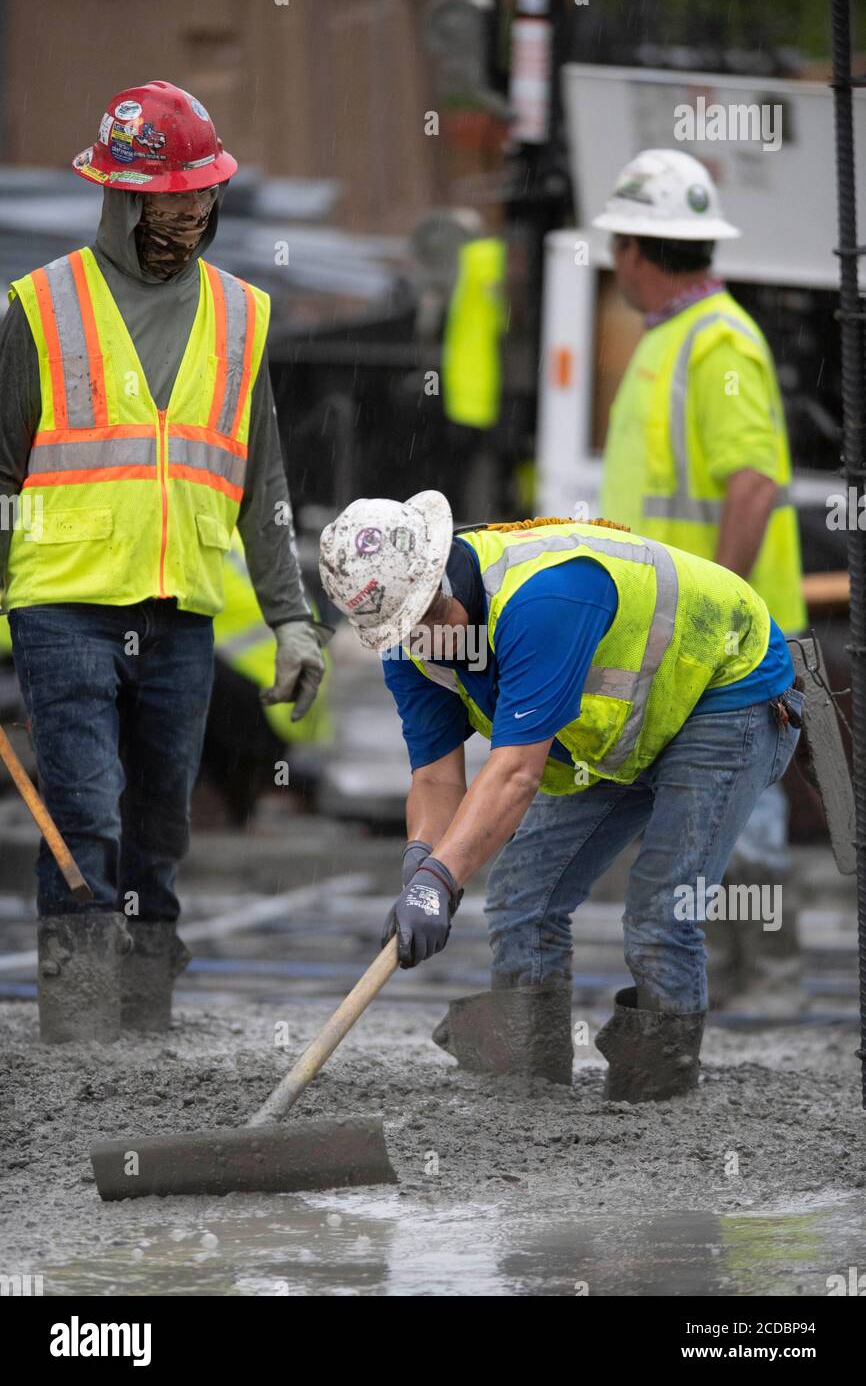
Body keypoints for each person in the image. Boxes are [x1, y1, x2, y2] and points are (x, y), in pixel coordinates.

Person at [0, 82, 326, 1042]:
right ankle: (81, 1019)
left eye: (201, 195)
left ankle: (141, 1016)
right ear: (119, 197)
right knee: (85, 811)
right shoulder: (40, 308)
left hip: (179, 610)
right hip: (61, 606)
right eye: (169, 198)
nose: (189, 214)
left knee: (160, 828)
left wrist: (292, 620)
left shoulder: (240, 317)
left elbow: (260, 482)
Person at [319, 492, 803, 1101]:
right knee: (524, 893)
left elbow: (517, 773)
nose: (427, 638)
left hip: (727, 690)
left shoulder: (545, 596)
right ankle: (531, 1089)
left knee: (663, 908)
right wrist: (421, 860)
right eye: (409, 632)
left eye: (431, 615)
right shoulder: (411, 649)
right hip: (626, 727)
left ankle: (661, 1096)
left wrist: (442, 880)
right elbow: (437, 779)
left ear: (442, 568)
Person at [593, 148, 806, 1010]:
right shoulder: (676, 340)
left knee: (741, 815)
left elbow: (754, 482)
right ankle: (722, 985)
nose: (613, 262)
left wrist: (717, 621)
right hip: (689, 636)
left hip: (723, 641)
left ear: (640, 250)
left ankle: (772, 985)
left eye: (619, 244)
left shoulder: (717, 343)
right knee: (709, 813)